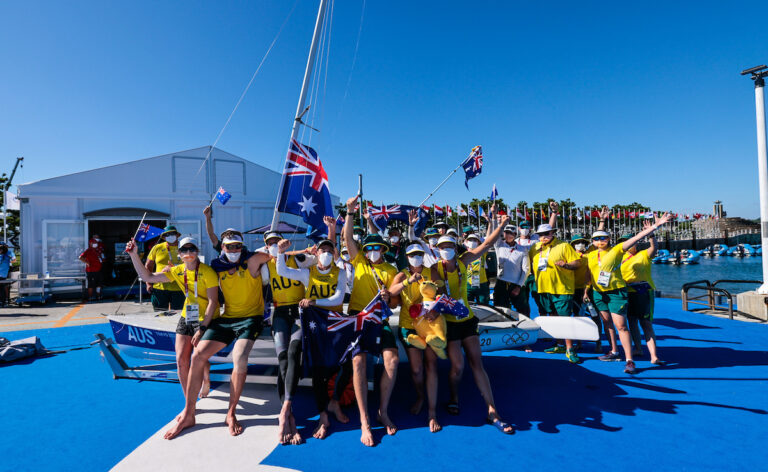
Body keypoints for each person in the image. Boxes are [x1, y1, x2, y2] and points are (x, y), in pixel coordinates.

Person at [126, 236, 219, 439]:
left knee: (197, 357)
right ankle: (189, 406)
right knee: (180, 360)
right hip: (188, 315)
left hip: (206, 318)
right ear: (180, 254)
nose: (188, 253)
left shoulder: (208, 272)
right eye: (184, 250)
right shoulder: (177, 271)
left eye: (192, 249)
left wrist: (203, 327)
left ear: (197, 251)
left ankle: (205, 381)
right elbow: (147, 276)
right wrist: (134, 255)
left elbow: (213, 302)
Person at [430, 215, 515, 435]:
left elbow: (486, 244)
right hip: (449, 323)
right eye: (442, 247)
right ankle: (454, 396)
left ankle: (492, 411)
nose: (446, 250)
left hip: (467, 320)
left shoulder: (464, 260)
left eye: (449, 246)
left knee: (477, 363)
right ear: (438, 250)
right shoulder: (434, 269)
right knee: (457, 366)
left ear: (455, 248)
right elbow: (436, 293)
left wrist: (502, 225)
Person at [197, 230, 271, 437]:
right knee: (197, 354)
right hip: (227, 317)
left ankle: (231, 412)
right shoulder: (216, 266)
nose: (234, 250)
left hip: (251, 318)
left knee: (239, 358)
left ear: (242, 246)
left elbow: (274, 253)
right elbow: (196, 272)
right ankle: (196, 396)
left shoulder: (251, 260)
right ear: (223, 247)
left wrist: (301, 251)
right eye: (229, 246)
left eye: (237, 246)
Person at [276, 236, 349, 440]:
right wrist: (280, 253)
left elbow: (338, 298)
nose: (326, 253)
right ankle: (294, 409)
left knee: (346, 363)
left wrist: (313, 301)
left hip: (332, 322)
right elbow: (283, 271)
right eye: (322, 250)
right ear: (315, 253)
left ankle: (331, 405)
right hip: (312, 323)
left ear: (334, 254)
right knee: (295, 352)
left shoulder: (340, 272)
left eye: (329, 250)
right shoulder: (309, 272)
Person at [344, 196, 399, 446]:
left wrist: (389, 297)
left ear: (383, 250)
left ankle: (382, 411)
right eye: (369, 248)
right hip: (358, 317)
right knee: (358, 362)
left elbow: (395, 304)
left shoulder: (391, 270)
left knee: (392, 361)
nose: (372, 251)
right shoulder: (359, 261)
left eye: (376, 247)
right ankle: (364, 420)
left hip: (379, 318)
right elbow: (347, 239)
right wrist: (349, 212)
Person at [586, 213, 671, 374]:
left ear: (609, 239)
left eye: (603, 238)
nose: (599, 241)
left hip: (616, 293)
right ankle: (614, 351)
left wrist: (655, 226)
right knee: (607, 323)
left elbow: (637, 237)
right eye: (596, 239)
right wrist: (586, 289)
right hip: (598, 293)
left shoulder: (617, 250)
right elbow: (589, 273)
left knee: (621, 326)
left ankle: (629, 360)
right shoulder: (591, 254)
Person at [389, 243, 442, 433]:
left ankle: (432, 412)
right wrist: (408, 282)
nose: (416, 257)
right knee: (417, 369)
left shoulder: (431, 272)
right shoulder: (402, 275)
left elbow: (442, 295)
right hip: (409, 326)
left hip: (429, 325)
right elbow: (390, 293)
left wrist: (436, 311)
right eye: (412, 255)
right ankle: (421, 396)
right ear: (407, 257)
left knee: (431, 365)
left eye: (419, 254)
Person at [528, 223, 583, 363]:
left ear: (552, 233)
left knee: (565, 319)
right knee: (553, 317)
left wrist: (566, 265)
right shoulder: (535, 247)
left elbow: (577, 263)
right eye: (540, 234)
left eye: (546, 233)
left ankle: (570, 349)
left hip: (562, 289)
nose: (543, 237)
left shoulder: (564, 246)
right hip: (543, 289)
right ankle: (559, 344)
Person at [619, 219, 664, 365]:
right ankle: (638, 348)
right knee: (631, 322)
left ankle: (654, 356)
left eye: (631, 241)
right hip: (627, 293)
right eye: (625, 242)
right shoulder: (620, 258)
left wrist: (651, 234)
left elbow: (654, 248)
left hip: (643, 293)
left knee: (646, 323)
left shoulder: (644, 254)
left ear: (636, 243)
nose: (628, 244)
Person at [569, 234, 602, 352]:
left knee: (595, 316)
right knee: (577, 317)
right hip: (574, 290)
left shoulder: (590, 254)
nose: (580, 244)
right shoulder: (570, 256)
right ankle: (579, 342)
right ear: (573, 245)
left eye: (583, 242)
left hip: (589, 289)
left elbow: (598, 235)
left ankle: (598, 342)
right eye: (577, 242)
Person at [492, 221, 530, 315]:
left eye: (511, 233)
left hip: (516, 284)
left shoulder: (523, 249)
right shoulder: (498, 245)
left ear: (515, 234)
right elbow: (494, 233)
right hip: (501, 283)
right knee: (500, 310)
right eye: (506, 233)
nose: (508, 235)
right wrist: (496, 220)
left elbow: (526, 269)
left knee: (523, 310)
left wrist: (519, 286)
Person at [145, 225, 185, 311]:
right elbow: (148, 266)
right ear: (164, 237)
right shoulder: (157, 247)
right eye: (167, 234)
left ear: (177, 235)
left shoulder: (184, 247)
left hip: (179, 288)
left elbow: (191, 264)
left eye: (172, 233)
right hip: (159, 288)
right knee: (159, 314)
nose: (170, 236)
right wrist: (148, 283)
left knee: (178, 315)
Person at [465, 232, 491, 305]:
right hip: (468, 284)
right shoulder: (464, 255)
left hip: (482, 284)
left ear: (478, 242)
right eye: (470, 240)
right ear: (466, 242)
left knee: (484, 306)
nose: (472, 242)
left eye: (475, 240)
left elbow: (488, 241)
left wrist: (490, 225)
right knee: (468, 306)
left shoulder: (482, 252)